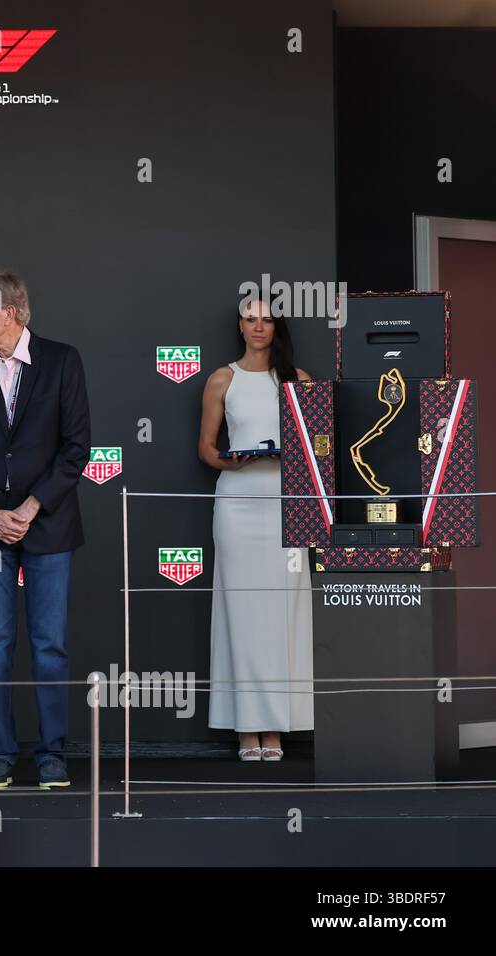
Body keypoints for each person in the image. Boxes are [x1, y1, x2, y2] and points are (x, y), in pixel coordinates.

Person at [0, 269, 90, 790]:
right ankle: (1, 753)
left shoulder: (61, 360)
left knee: (49, 644)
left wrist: (29, 508)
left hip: (48, 526)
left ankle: (52, 755)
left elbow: (77, 449)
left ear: (10, 310)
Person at [199, 298, 314, 760]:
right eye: (250, 318)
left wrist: (290, 456)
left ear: (277, 326)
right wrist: (234, 457)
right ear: (240, 326)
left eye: (267, 319)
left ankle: (278, 729)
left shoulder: (299, 381)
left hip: (289, 504)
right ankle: (248, 730)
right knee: (241, 612)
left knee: (283, 613)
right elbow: (206, 449)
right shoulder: (221, 379)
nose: (259, 326)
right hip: (238, 503)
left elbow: (316, 449)